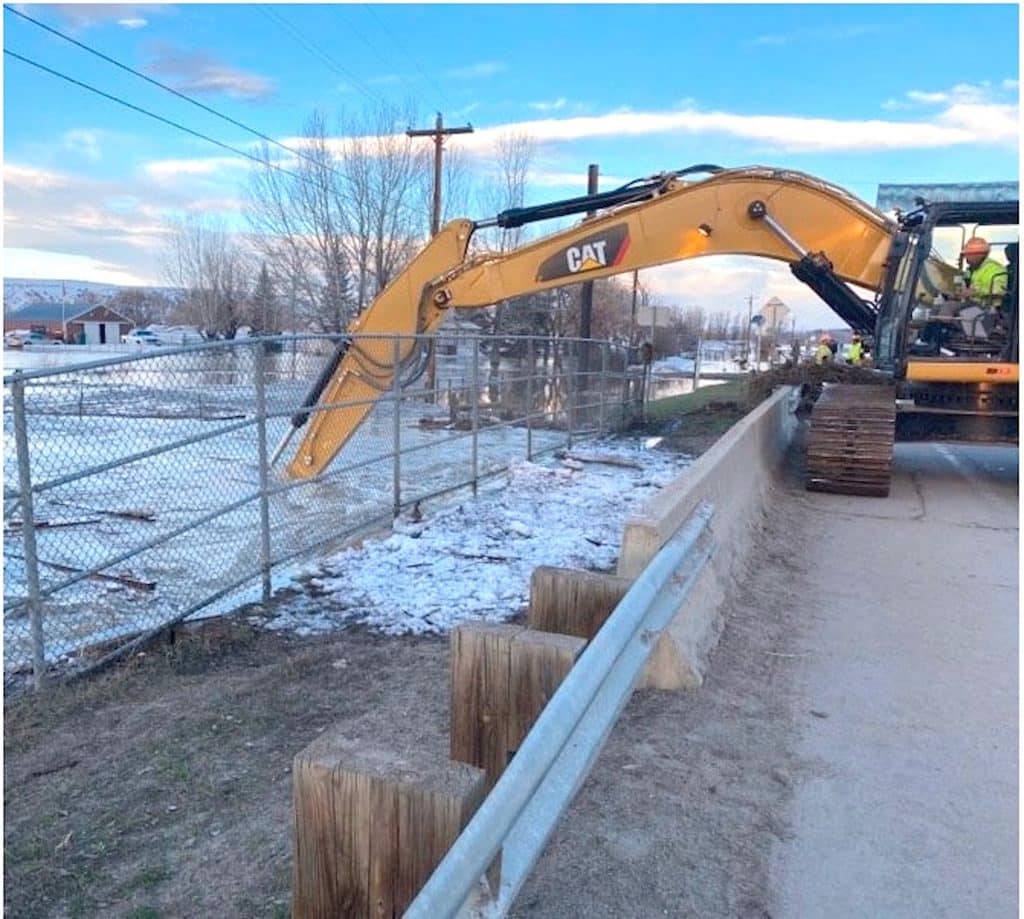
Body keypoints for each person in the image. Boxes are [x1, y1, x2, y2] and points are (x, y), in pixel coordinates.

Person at [960, 237, 1007, 307]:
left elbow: (998, 291)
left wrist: (974, 292)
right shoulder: (973, 269)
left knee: (949, 307)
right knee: (941, 307)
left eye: (968, 255)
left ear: (979, 255)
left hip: (988, 307)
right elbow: (966, 281)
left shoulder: (996, 269)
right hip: (973, 304)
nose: (966, 260)